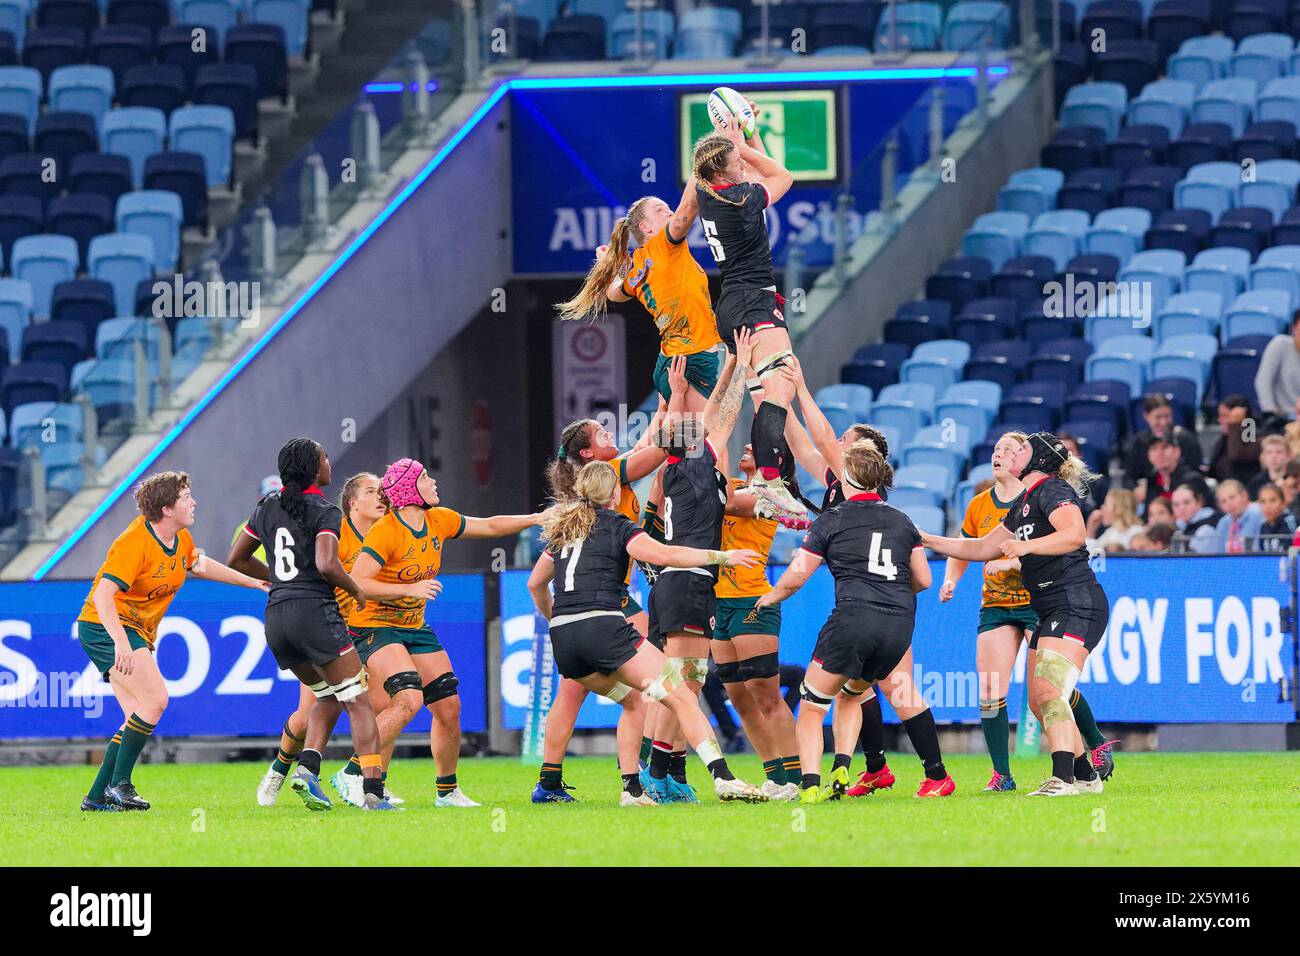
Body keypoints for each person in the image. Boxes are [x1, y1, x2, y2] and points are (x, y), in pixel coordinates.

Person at [527, 459, 767, 803]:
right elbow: (665, 553)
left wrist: (556, 619)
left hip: (564, 639)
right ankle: (723, 777)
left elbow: (536, 583)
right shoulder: (619, 525)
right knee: (681, 693)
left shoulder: (564, 530)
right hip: (603, 627)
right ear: (613, 494)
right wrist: (721, 557)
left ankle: (632, 790)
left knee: (634, 700)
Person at [756, 439, 956, 802]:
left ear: (846, 478)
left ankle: (811, 786)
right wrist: (891, 588)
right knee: (855, 691)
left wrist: (770, 596)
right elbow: (925, 580)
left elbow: (798, 575)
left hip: (853, 619)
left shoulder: (832, 520)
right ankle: (860, 766)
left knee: (813, 706)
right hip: (899, 624)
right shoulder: (902, 519)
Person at [346, 458, 548, 807]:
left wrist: (534, 519)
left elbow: (489, 526)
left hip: (413, 625)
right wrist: (408, 591)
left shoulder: (438, 519)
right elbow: (357, 581)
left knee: (449, 705)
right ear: (410, 490)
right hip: (374, 624)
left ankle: (447, 792)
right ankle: (353, 771)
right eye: (425, 477)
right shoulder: (387, 530)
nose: (433, 481)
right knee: (408, 698)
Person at [922, 432, 1110, 796]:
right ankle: (1086, 775)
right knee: (1042, 702)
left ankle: (1064, 778)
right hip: (1053, 607)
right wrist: (926, 538)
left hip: (1075, 603)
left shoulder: (1053, 489)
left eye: (1020, 448)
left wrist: (1023, 548)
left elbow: (1074, 534)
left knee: (1047, 689)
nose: (1008, 452)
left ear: (1037, 458)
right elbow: (979, 547)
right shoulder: (1024, 500)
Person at [77, 472, 269, 811]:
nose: (193, 502)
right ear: (167, 509)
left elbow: (200, 564)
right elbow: (105, 595)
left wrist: (253, 582)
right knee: (155, 699)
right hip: (104, 627)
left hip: (132, 629)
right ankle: (120, 785)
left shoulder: (181, 539)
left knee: (136, 713)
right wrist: (121, 643)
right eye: (186, 497)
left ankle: (95, 797)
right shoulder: (134, 542)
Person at [229, 439, 396, 811]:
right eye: (322, 456)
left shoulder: (266, 507)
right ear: (311, 467)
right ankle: (372, 793)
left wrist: (278, 580)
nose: (328, 461)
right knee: (359, 702)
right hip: (314, 614)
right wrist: (356, 589)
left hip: (277, 619)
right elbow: (325, 564)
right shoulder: (323, 510)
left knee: (326, 696)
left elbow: (236, 558)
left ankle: (306, 771)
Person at [529, 392, 669, 803]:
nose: (610, 432)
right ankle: (642, 777)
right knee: (658, 688)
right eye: (601, 432)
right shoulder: (610, 471)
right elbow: (657, 451)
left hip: (578, 602)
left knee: (573, 694)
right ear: (589, 452)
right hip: (611, 597)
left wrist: (663, 406)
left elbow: (537, 579)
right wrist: (681, 404)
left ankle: (550, 782)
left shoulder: (589, 485)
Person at [641, 330, 764, 802]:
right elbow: (724, 417)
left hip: (685, 583)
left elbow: (716, 418)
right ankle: (663, 775)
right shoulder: (694, 466)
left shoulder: (681, 468)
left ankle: (663, 773)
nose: (708, 431)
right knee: (679, 682)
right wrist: (738, 366)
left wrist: (732, 367)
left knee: (686, 680)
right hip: (687, 581)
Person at [692, 108, 809, 527]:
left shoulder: (714, 191)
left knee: (768, 393)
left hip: (734, 304)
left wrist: (743, 136)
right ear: (726, 171)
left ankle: (776, 480)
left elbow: (759, 172)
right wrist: (741, 140)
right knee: (781, 384)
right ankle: (769, 481)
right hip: (752, 303)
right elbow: (783, 177)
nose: (744, 162)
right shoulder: (740, 199)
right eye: (737, 161)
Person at [555, 183, 722, 419]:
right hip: (690, 360)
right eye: (660, 210)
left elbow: (614, 293)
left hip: (673, 361)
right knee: (704, 444)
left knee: (676, 442)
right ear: (646, 227)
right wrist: (700, 169)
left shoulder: (638, 266)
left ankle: (645, 450)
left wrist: (608, 266)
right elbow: (689, 204)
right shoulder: (663, 245)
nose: (670, 212)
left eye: (668, 208)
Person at [939, 432, 1036, 792]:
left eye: (1008, 450)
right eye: (995, 449)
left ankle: (1086, 750)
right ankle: (1002, 775)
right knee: (990, 688)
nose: (999, 455)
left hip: (1038, 602)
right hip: (995, 605)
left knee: (1048, 690)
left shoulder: (1037, 499)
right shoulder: (979, 504)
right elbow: (966, 548)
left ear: (1023, 459)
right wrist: (951, 579)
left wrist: (1013, 563)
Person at [712, 440, 802, 801]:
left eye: (756, 447)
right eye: (745, 446)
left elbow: (727, 503)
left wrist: (716, 434)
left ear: (776, 462)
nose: (748, 449)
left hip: (752, 600)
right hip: (719, 603)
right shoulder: (732, 484)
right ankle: (773, 776)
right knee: (739, 696)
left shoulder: (772, 494)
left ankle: (794, 779)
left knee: (766, 694)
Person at [1122, 395, 1202, 492]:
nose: (1163, 422)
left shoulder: (1186, 440)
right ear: (1146, 416)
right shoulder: (1138, 442)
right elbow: (1128, 478)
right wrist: (1136, 490)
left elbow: (1196, 474)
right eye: (1158, 417)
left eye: (1167, 416)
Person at [1254, 310, 1300, 423]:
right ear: (1294, 328)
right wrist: (1270, 412)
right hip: (1281, 418)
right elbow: (1263, 381)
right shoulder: (1280, 344)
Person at [1208, 395, 1261, 485]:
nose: (1220, 420)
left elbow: (1236, 455)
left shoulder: (1251, 432)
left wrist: (1235, 425)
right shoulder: (1223, 439)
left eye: (1225, 416)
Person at [1140, 437, 1201, 513]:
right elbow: (1147, 515)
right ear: (1148, 455)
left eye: (1165, 447)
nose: (1159, 453)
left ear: (1177, 451)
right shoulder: (1152, 479)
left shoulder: (1192, 479)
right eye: (1154, 448)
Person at [1211, 479, 1264, 553]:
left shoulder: (1259, 514)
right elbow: (1218, 553)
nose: (1229, 504)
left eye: (1232, 497)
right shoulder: (1223, 522)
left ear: (1244, 495)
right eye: (1223, 501)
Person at [1171, 480, 1222, 554]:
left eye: (1186, 502)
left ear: (1199, 502)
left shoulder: (1206, 530)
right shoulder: (1177, 529)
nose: (1181, 508)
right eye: (1176, 504)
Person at [1254, 483, 1295, 552]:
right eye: (1263, 502)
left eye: (1272, 500)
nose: (1267, 506)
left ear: (1283, 503)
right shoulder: (1263, 527)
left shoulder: (1292, 522)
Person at [1247, 434, 1291, 499]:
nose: (1274, 456)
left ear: (1288, 456)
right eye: (1269, 452)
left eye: (1279, 452)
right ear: (1263, 457)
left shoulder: (1296, 480)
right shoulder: (1256, 484)